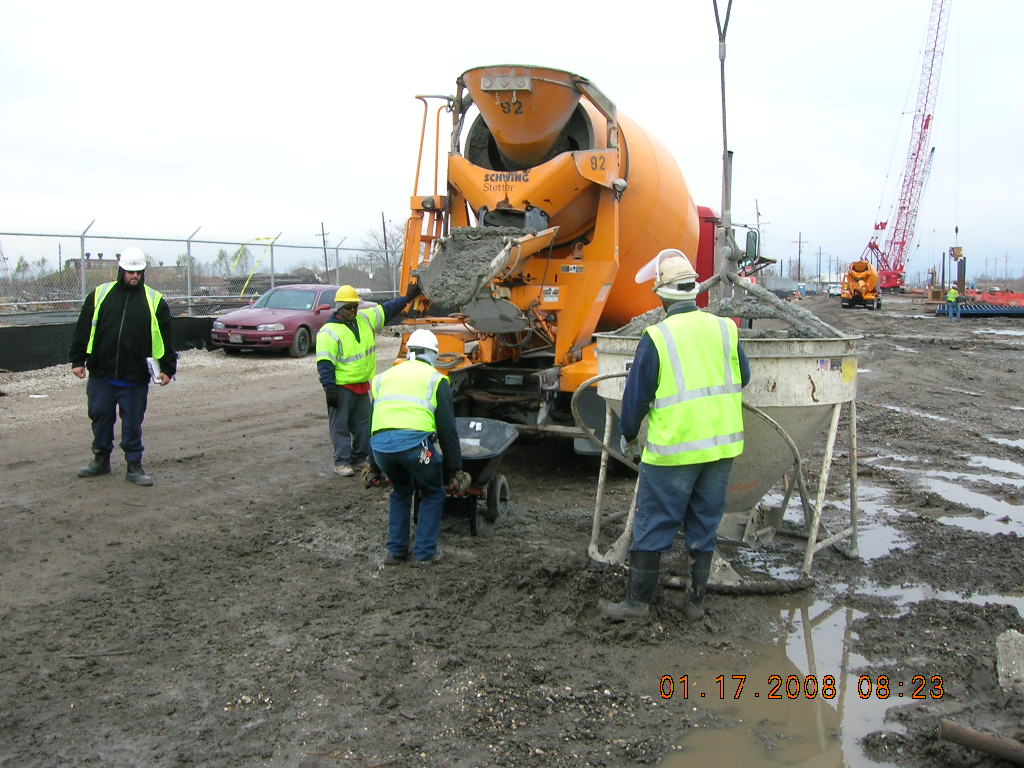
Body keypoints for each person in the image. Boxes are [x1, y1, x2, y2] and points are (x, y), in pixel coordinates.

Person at [603, 249, 750, 622]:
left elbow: (636, 399)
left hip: (674, 452)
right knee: (704, 524)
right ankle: (696, 603)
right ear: (694, 290)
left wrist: (629, 435)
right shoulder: (725, 328)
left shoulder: (657, 337)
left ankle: (637, 604)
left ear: (663, 295)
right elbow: (743, 377)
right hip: (720, 449)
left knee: (653, 524)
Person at [69, 247, 176, 486]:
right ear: (121, 270)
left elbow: (166, 337)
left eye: (138, 272)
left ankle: (134, 465)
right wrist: (78, 360)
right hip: (101, 374)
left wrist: (168, 368)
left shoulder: (155, 301)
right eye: (129, 272)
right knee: (100, 417)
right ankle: (100, 460)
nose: (134, 276)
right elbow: (84, 328)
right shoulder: (100, 294)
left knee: (132, 423)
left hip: (134, 377)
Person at [366, 329, 470, 566]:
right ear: (434, 354)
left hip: (382, 450)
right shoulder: (436, 379)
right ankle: (424, 553)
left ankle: (395, 551)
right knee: (433, 491)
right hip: (418, 450)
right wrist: (456, 470)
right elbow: (447, 431)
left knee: (402, 491)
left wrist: (373, 467)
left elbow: (373, 424)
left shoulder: (384, 378)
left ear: (409, 352)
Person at [315, 282, 421, 476]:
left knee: (364, 426)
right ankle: (341, 462)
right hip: (342, 387)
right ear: (340, 308)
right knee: (340, 427)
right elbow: (325, 363)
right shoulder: (328, 332)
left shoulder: (364, 319)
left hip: (362, 385)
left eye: (356, 306)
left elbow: (387, 310)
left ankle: (358, 458)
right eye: (350, 308)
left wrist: (408, 298)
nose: (354, 310)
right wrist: (329, 389)